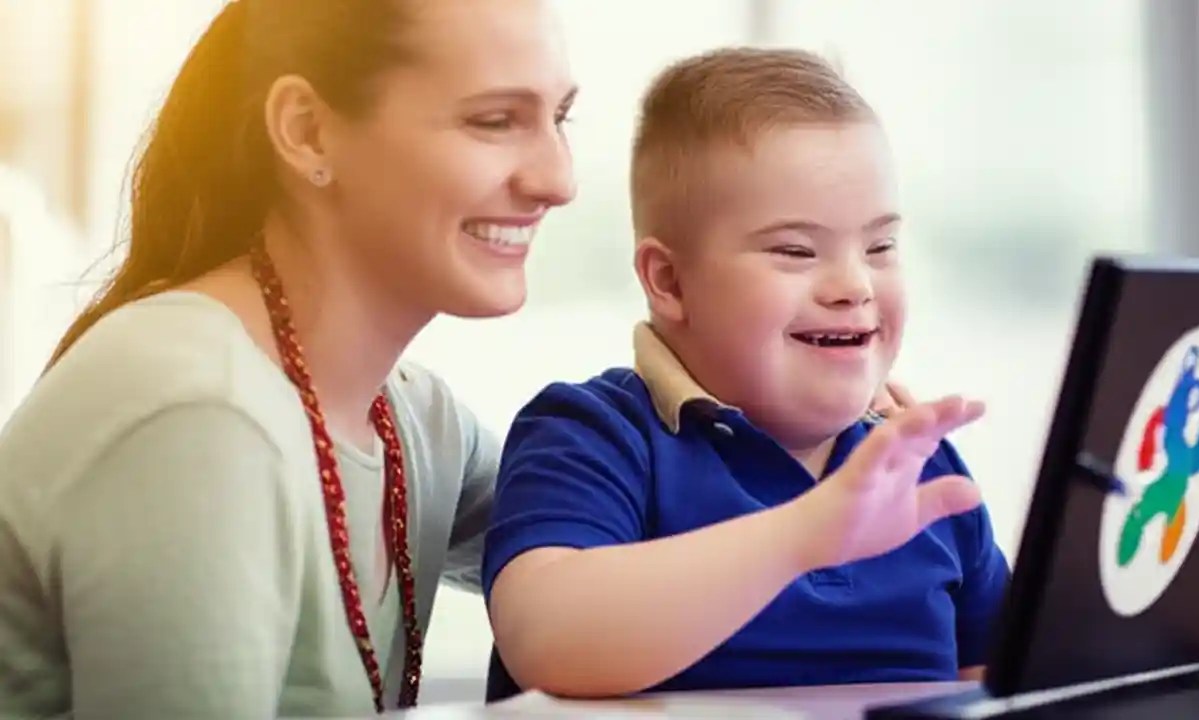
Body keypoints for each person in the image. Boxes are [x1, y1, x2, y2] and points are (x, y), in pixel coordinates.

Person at [0, 0, 576, 717]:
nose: (560, 180)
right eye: (494, 120)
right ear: (307, 132)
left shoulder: (416, 422)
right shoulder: (197, 415)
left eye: (561, 119)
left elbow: (612, 554)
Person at [482, 47, 1010, 699]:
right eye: (795, 250)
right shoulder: (594, 433)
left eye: (880, 247)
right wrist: (804, 533)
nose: (853, 284)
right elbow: (546, 639)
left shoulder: (926, 470)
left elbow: (1004, 686)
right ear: (670, 281)